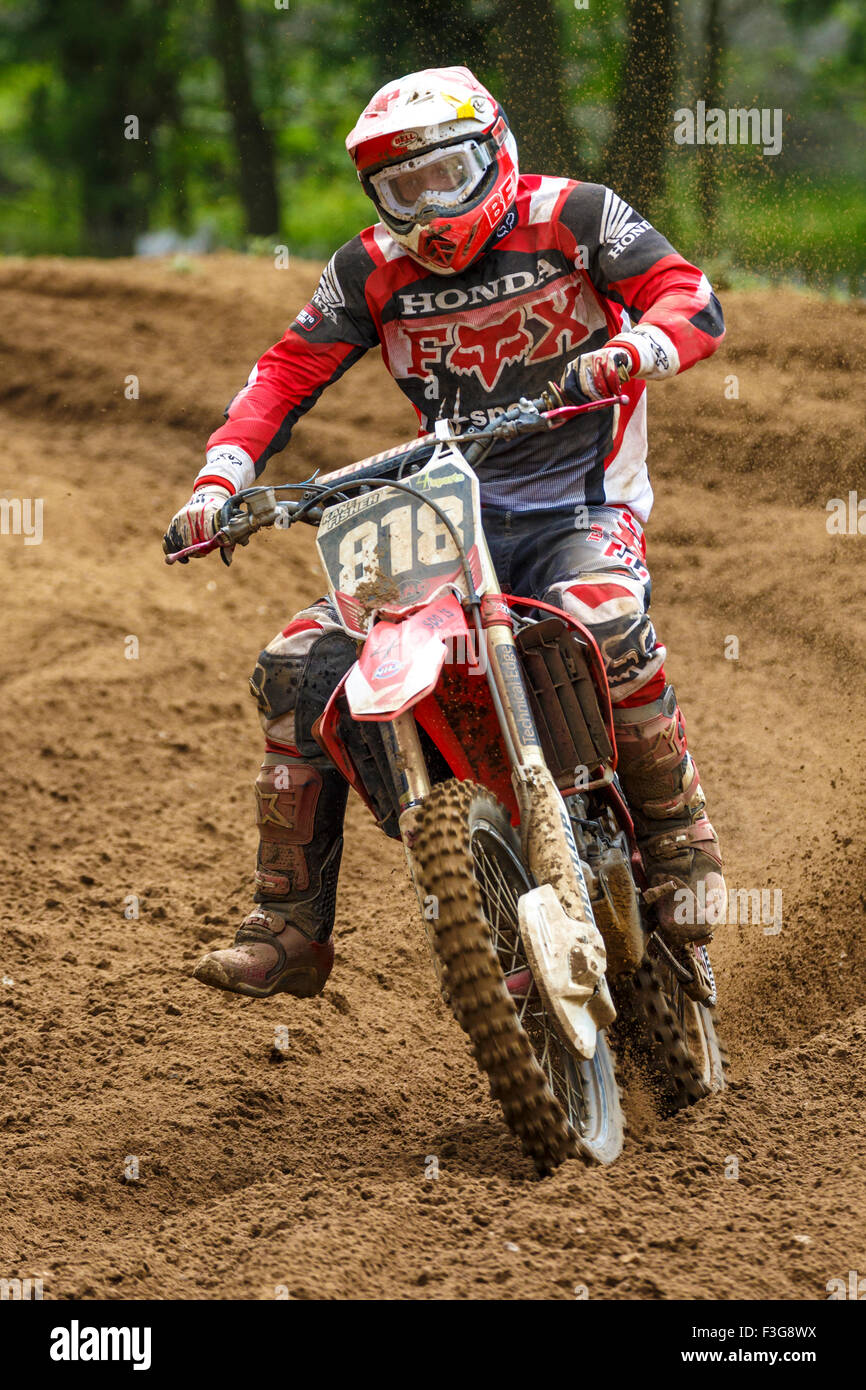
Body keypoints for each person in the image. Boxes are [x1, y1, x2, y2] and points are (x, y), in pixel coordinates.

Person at [164, 65, 727, 1001]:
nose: (428, 205)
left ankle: (678, 847)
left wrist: (634, 348)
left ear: (495, 149)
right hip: (442, 508)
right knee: (296, 665)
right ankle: (291, 926)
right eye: (401, 188)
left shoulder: (577, 214)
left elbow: (690, 295)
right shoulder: (368, 270)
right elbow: (284, 372)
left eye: (447, 174)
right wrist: (222, 478)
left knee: (609, 619)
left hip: (579, 501)